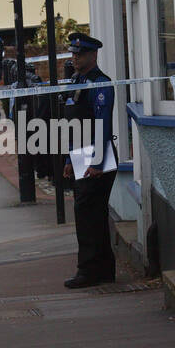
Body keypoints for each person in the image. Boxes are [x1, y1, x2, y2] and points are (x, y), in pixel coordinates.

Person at [60, 32, 117, 288]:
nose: (74, 58)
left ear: (93, 55)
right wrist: (69, 159)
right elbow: (73, 124)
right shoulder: (76, 80)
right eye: (73, 53)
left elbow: (103, 124)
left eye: (79, 54)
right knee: (90, 214)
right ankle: (103, 269)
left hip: (96, 157)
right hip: (81, 155)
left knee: (88, 214)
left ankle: (89, 271)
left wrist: (97, 162)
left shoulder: (100, 83)